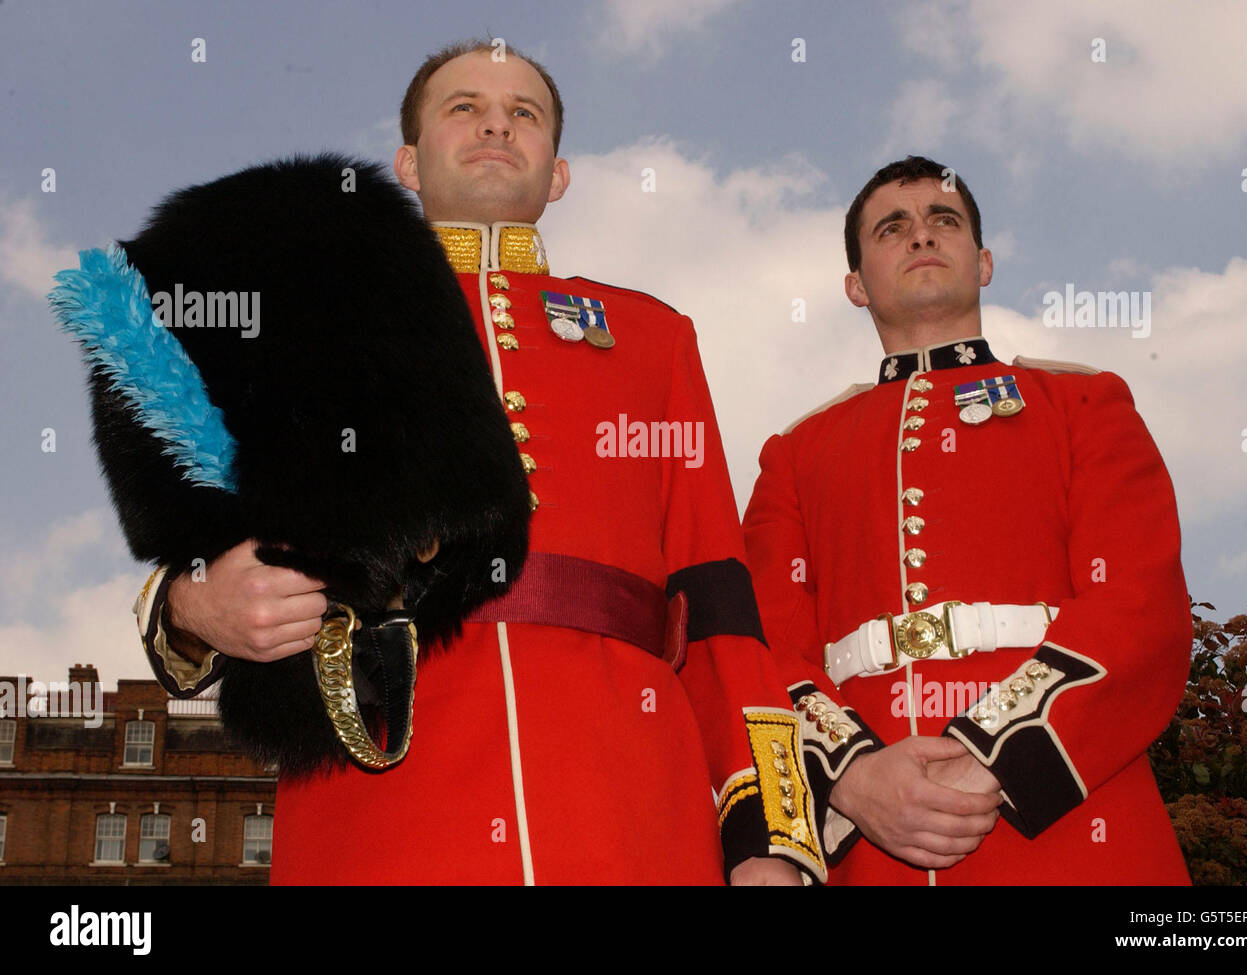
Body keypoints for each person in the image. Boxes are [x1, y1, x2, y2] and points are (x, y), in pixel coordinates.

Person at [135, 40, 820, 885]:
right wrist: (195, 601)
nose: (497, 121)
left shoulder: (655, 337)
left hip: (631, 807)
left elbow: (719, 603)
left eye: (523, 113)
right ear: (407, 163)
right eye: (464, 107)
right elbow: (194, 537)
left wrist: (769, 839)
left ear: (557, 174)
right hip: (383, 801)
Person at [742, 155, 1192, 884]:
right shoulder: (794, 453)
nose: (922, 235)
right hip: (868, 841)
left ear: (983, 262)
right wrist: (853, 776)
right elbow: (759, 653)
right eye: (893, 227)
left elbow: (1142, 605)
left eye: (943, 220)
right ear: (855, 285)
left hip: (1074, 830)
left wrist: (998, 754)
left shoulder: (1083, 404)